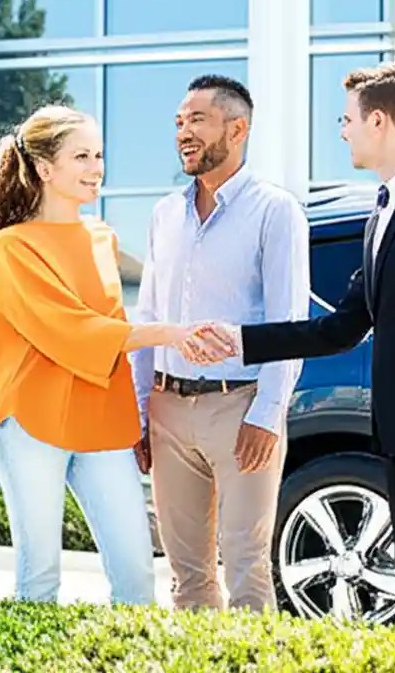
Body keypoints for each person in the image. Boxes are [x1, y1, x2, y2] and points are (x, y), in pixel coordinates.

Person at [193, 62, 395, 631]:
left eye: (348, 119)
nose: (342, 131)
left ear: (380, 121)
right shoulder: (383, 210)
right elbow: (341, 327)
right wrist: (238, 340)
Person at [0, 104, 209, 606]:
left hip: (102, 419)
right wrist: (167, 333)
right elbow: (70, 330)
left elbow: (110, 329)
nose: (95, 167)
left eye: (98, 155)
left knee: (137, 576)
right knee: (40, 579)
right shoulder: (15, 246)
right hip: (31, 420)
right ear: (43, 168)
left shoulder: (102, 238)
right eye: (81, 156)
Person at [130, 75, 310, 612]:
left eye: (197, 121)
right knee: (186, 575)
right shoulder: (165, 213)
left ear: (237, 129)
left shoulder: (275, 211)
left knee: (247, 566)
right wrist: (141, 411)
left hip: (241, 407)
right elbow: (149, 318)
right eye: (179, 123)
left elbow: (289, 321)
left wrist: (268, 414)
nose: (183, 132)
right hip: (167, 407)